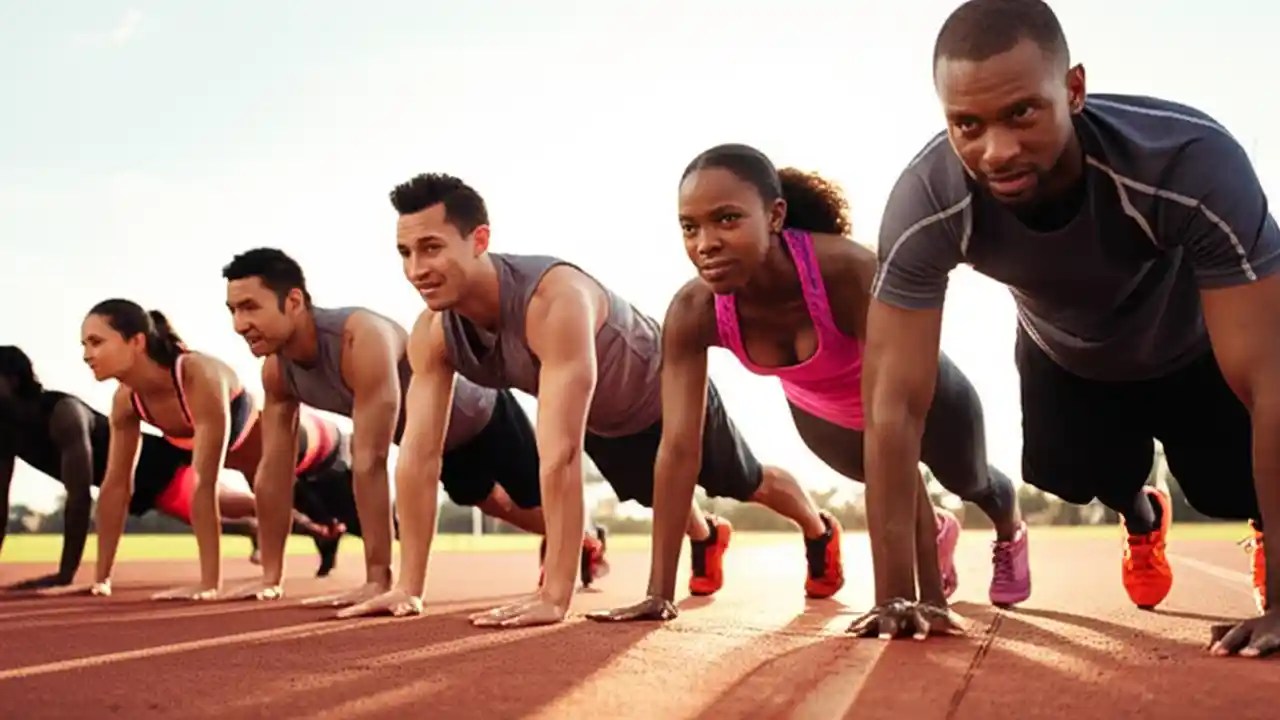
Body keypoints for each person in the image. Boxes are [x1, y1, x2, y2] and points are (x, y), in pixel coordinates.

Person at [863, 0, 1277, 655]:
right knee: (1065, 473)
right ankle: (1142, 514)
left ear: (1074, 90)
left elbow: (1270, 380)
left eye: (1022, 112)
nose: (995, 151)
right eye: (966, 124)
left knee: (1226, 484)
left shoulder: (1189, 162)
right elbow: (893, 402)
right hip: (1066, 355)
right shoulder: (929, 200)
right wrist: (896, 596)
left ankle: (1261, 527)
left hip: (1193, 349)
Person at [339, 172, 839, 627]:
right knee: (652, 492)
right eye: (405, 253)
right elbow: (421, 458)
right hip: (603, 420)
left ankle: (817, 528)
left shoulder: (553, 300)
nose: (416, 268)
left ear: (480, 241)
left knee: (744, 480)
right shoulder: (434, 333)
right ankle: (708, 536)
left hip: (664, 392)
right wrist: (408, 587)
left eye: (431, 248)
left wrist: (555, 596)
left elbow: (559, 455)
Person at [589, 145, 1029, 624]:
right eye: (690, 227)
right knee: (883, 473)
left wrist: (901, 600)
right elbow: (677, 449)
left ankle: (1009, 528)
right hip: (825, 417)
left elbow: (894, 421)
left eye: (727, 219)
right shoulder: (693, 311)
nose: (705, 243)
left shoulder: (848, 271)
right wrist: (659, 593)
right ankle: (928, 536)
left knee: (971, 480)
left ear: (775, 215)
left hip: (926, 396)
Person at [219, 247, 610, 606]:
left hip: (483, 414)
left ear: (294, 301)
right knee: (495, 505)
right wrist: (271, 576)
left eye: (250, 307)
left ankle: (583, 537)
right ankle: (585, 539)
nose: (239, 324)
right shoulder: (276, 373)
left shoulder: (359, 338)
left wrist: (377, 578)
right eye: (233, 310)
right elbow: (273, 469)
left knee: (533, 497)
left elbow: (370, 459)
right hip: (432, 444)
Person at [80, 300, 345, 600]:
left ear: (137, 341)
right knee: (279, 495)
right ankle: (322, 536)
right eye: (84, 345)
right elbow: (116, 486)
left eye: (96, 342)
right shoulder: (126, 402)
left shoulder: (197, 374)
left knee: (350, 511)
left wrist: (208, 585)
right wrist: (101, 580)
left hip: (312, 446)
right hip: (261, 473)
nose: (87, 355)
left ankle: (331, 540)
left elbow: (204, 483)